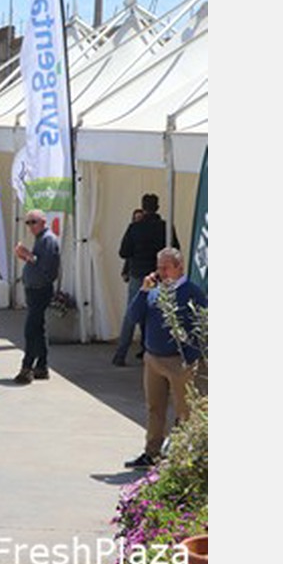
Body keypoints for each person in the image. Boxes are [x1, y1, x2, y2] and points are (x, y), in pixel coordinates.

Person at [122, 248, 206, 469]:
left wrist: (192, 356)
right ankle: (152, 452)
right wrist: (142, 291)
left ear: (179, 267)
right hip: (153, 359)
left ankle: (184, 457)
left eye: (165, 267)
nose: (161, 272)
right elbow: (133, 316)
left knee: (185, 411)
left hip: (179, 361)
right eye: (158, 267)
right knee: (154, 408)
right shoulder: (154, 292)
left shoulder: (192, 292)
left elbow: (203, 326)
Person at [113, 194, 180, 366]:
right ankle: (157, 351)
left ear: (142, 208)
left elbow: (123, 252)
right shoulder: (165, 227)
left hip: (139, 274)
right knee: (161, 312)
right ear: (158, 207)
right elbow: (176, 249)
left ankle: (120, 354)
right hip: (161, 274)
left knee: (132, 313)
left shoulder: (135, 227)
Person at [13, 210, 61, 384]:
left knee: (31, 329)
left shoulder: (48, 240)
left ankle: (27, 368)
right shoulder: (42, 239)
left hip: (40, 289)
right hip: (35, 288)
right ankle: (41, 366)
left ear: (42, 222)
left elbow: (45, 266)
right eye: (28, 223)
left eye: (33, 222)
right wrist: (27, 257)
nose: (30, 226)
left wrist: (27, 255)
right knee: (38, 329)